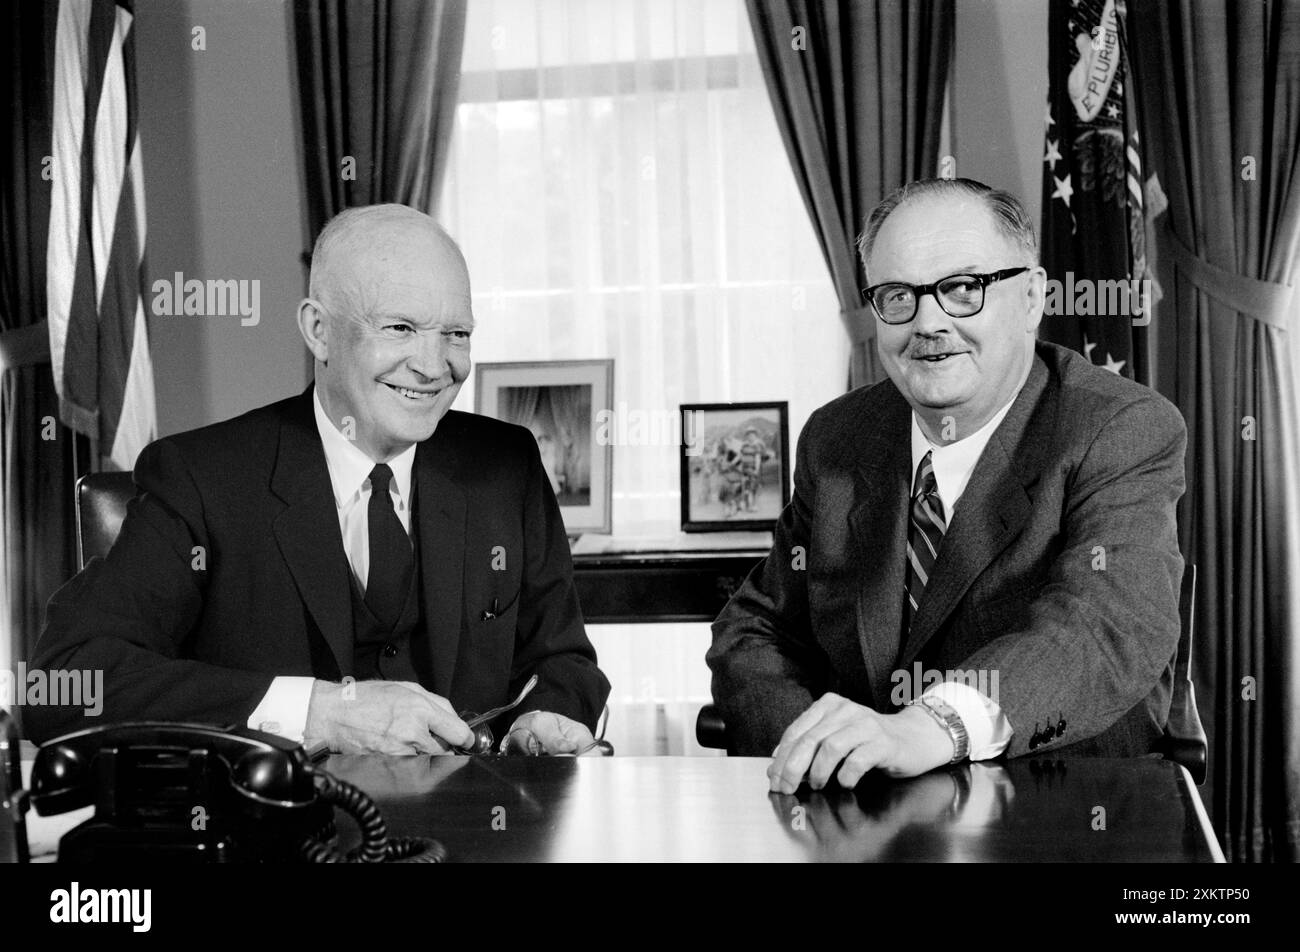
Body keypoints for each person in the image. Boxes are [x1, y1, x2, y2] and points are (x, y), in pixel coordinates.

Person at [27, 204, 610, 756]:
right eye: (400, 328)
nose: (435, 367)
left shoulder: (505, 465)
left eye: (456, 333)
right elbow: (64, 683)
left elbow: (565, 662)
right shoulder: (203, 478)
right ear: (319, 330)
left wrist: (541, 722)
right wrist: (318, 713)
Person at [706, 178, 1186, 793]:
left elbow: (1104, 626)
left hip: (1058, 811)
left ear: (1033, 297)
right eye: (898, 296)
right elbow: (756, 630)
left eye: (964, 289)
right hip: (860, 825)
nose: (928, 323)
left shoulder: (1118, 428)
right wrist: (825, 748)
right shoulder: (837, 438)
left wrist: (926, 729)